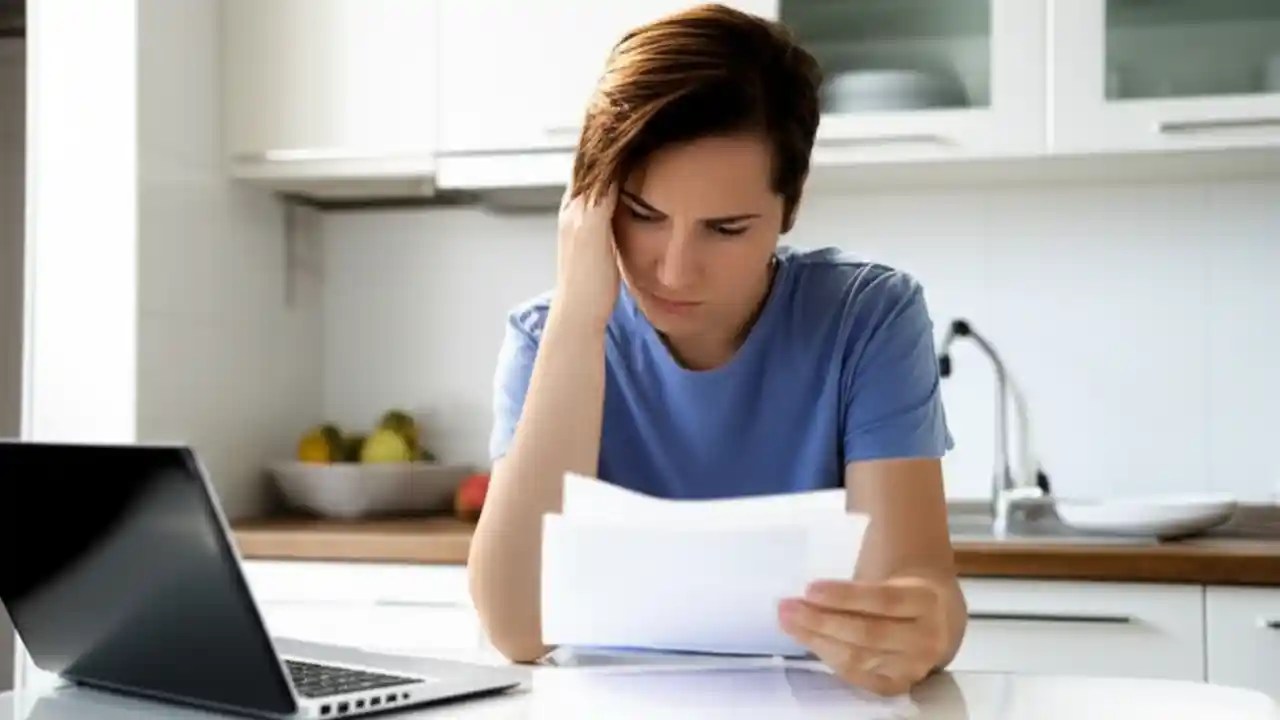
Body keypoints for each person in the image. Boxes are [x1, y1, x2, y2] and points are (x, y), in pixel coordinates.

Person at [467, 3, 966, 697]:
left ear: (788, 208)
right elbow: (518, 627)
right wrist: (580, 316)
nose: (673, 270)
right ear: (590, 201)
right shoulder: (545, 336)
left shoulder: (866, 317)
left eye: (725, 228)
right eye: (642, 216)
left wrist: (927, 624)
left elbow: (914, 584)